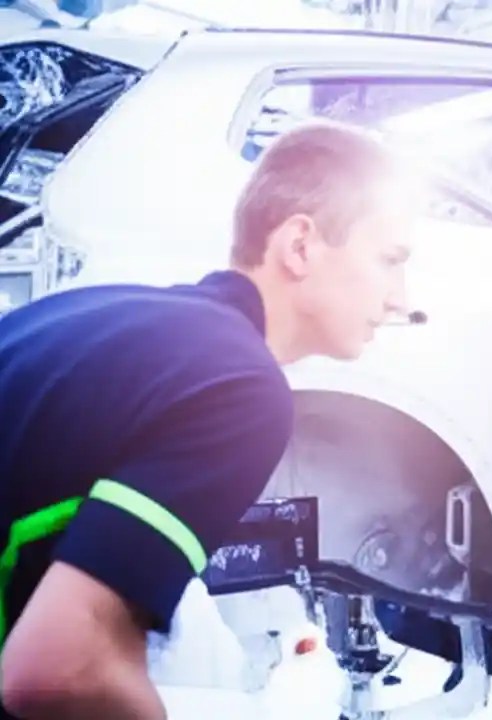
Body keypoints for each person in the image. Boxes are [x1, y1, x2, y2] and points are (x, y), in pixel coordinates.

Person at [0, 123, 414, 720]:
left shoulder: (103, 315)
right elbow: (64, 670)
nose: (402, 300)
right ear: (300, 245)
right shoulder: (242, 386)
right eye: (390, 261)